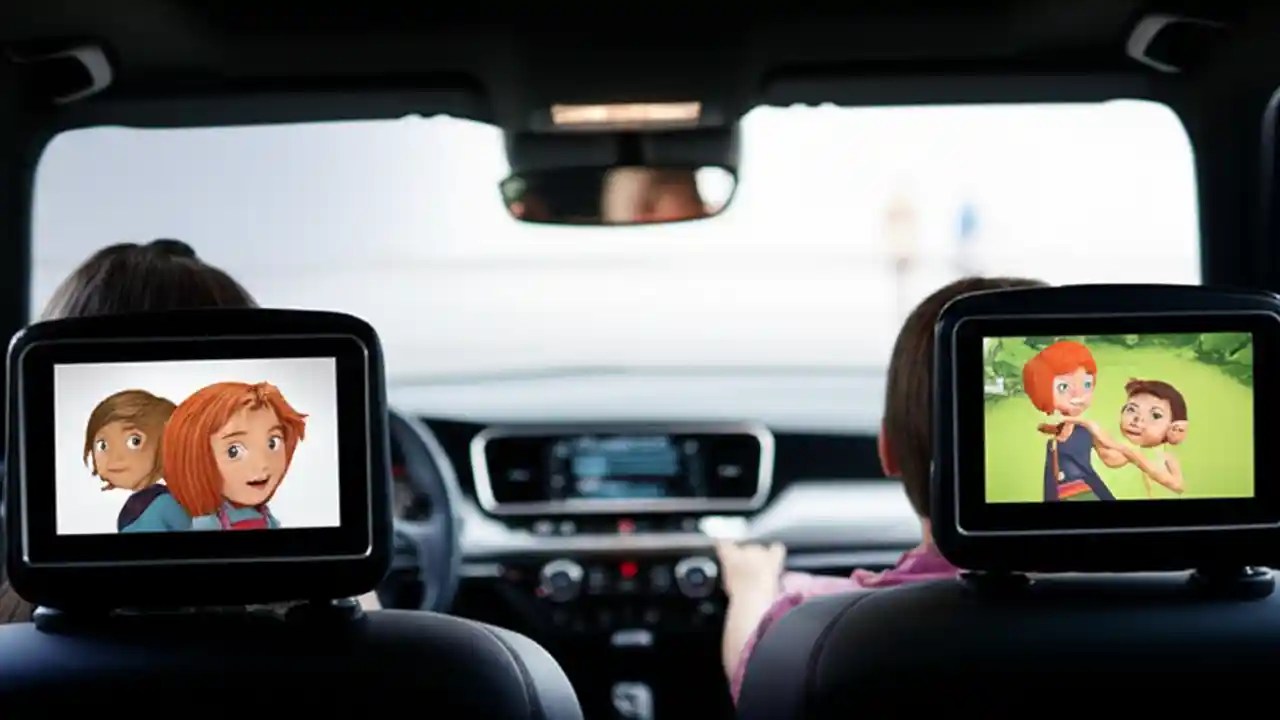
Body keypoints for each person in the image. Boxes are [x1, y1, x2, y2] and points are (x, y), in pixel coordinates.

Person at [715, 275, 1047, 704]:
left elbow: (751, 672)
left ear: (886, 451)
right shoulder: (1146, 611)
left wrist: (752, 589)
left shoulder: (815, 631)